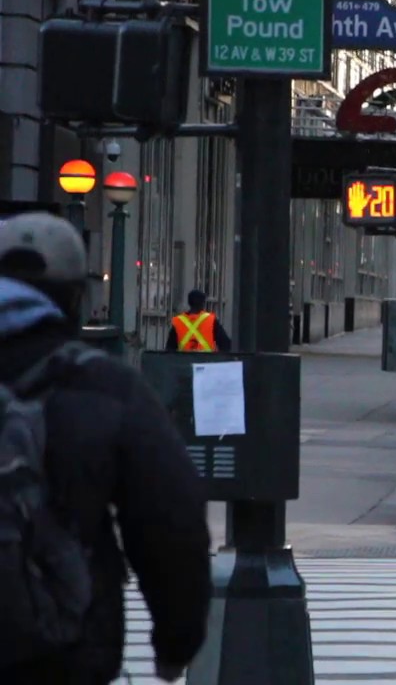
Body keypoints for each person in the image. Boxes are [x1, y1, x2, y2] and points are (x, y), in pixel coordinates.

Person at [0, 213, 211, 684]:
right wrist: (176, 641)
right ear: (76, 297)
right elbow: (170, 519)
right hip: (60, 646)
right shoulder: (105, 387)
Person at [166, 288, 231, 352]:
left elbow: (170, 349)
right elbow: (225, 344)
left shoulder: (178, 321)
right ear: (203, 303)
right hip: (206, 358)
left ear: (189, 303)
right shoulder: (211, 320)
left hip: (184, 359)